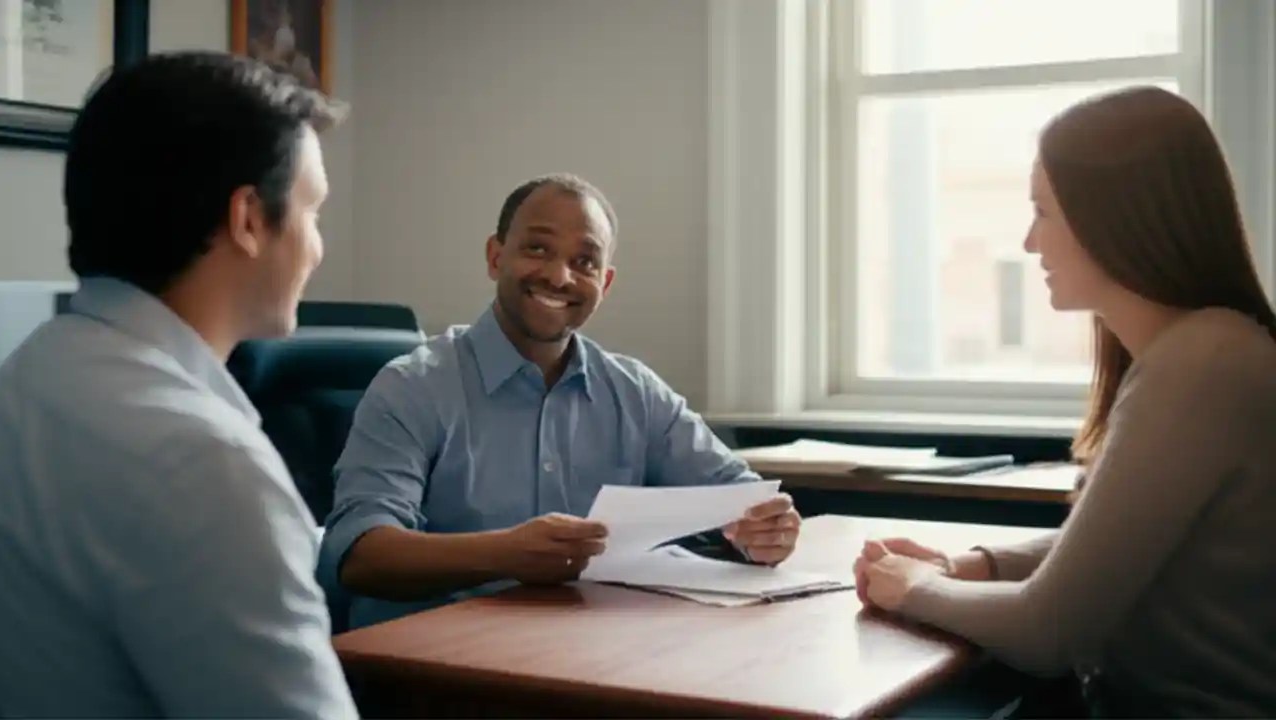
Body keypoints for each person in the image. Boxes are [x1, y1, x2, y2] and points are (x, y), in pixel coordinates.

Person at [853, 86, 1276, 717]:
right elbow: (1113, 552)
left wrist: (916, 588)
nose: (1030, 242)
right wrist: (967, 566)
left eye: (1044, 212)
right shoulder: (1204, 351)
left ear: (1117, 217)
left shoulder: (1203, 362)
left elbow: (1047, 633)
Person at [0, 52, 357, 718]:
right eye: (313, 213)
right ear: (248, 219)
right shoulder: (205, 462)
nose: (317, 248)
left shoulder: (24, 379)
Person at [318, 174, 801, 628]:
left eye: (584, 262)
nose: (559, 276)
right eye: (537, 249)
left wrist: (766, 532)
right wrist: (504, 554)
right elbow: (361, 556)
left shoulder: (636, 392)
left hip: (586, 648)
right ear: (495, 256)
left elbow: (746, 500)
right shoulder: (412, 387)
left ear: (604, 284)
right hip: (428, 665)